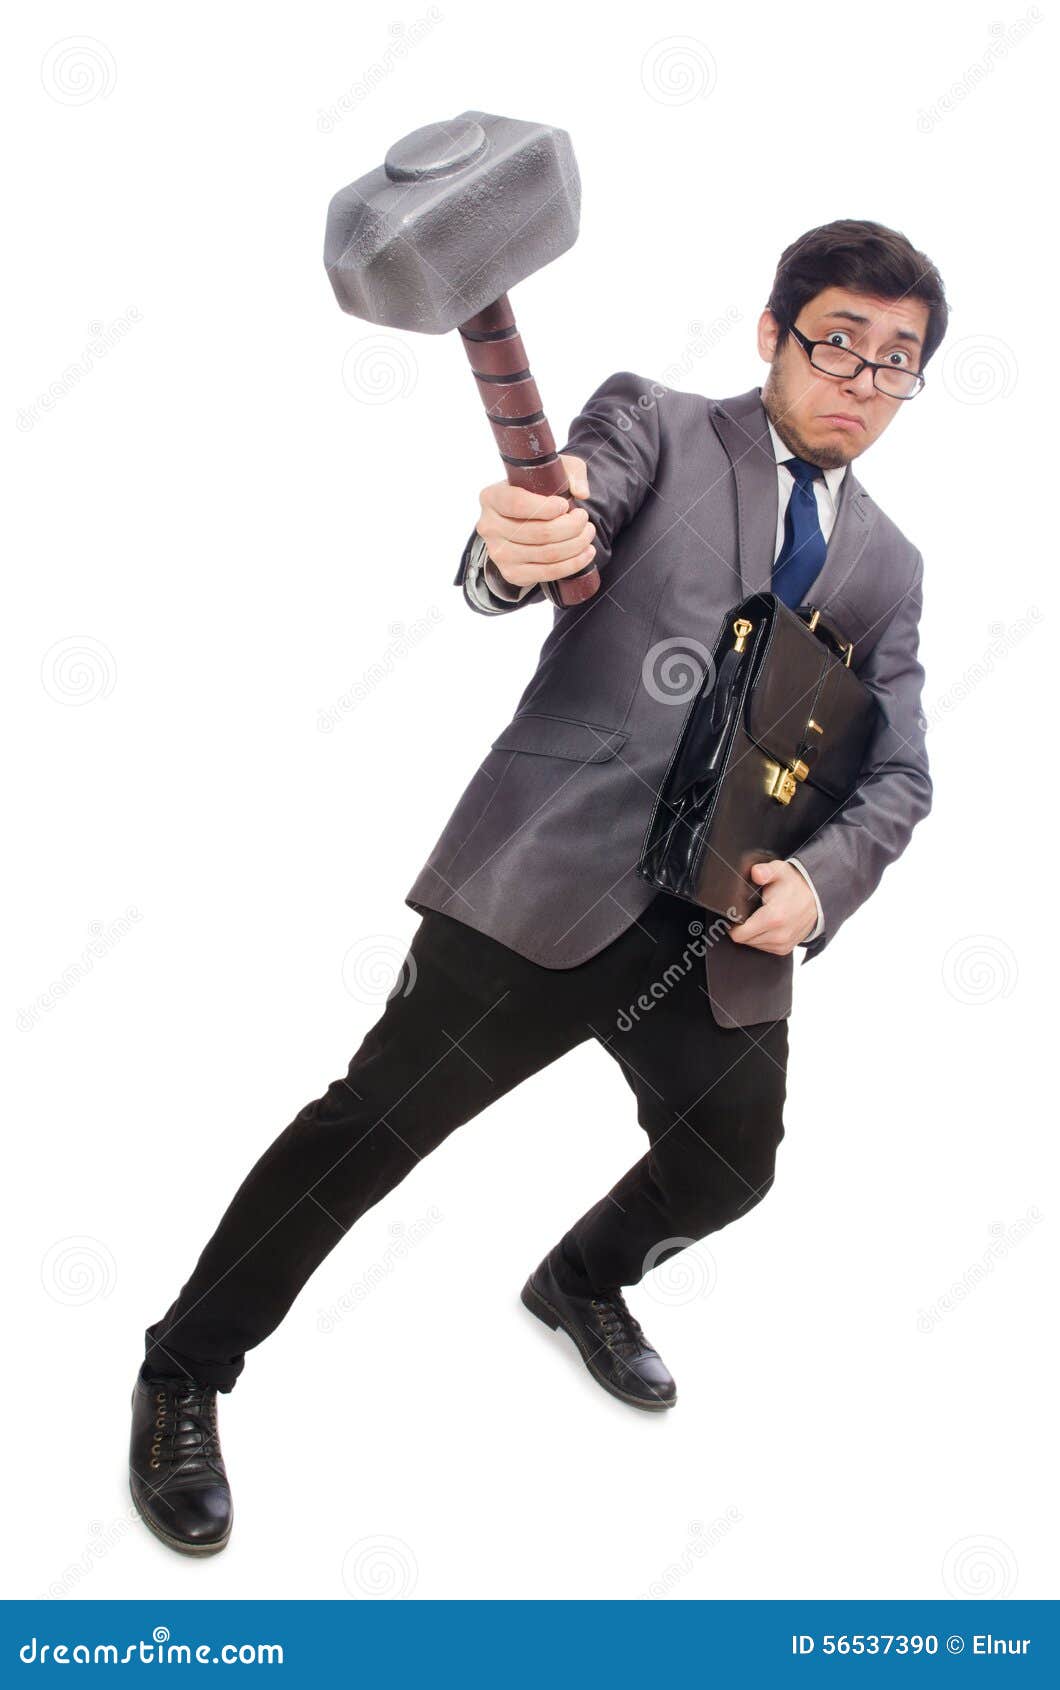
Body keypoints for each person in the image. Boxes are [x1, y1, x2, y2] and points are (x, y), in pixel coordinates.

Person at [130, 219, 945, 1555]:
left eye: (895, 362)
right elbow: (559, 514)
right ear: (772, 334)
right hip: (549, 883)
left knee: (731, 1167)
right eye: (836, 342)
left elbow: (898, 773)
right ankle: (182, 1370)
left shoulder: (889, 566)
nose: (859, 379)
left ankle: (581, 1278)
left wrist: (820, 878)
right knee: (367, 1134)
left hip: (720, 931)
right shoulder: (663, 426)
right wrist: (512, 548)